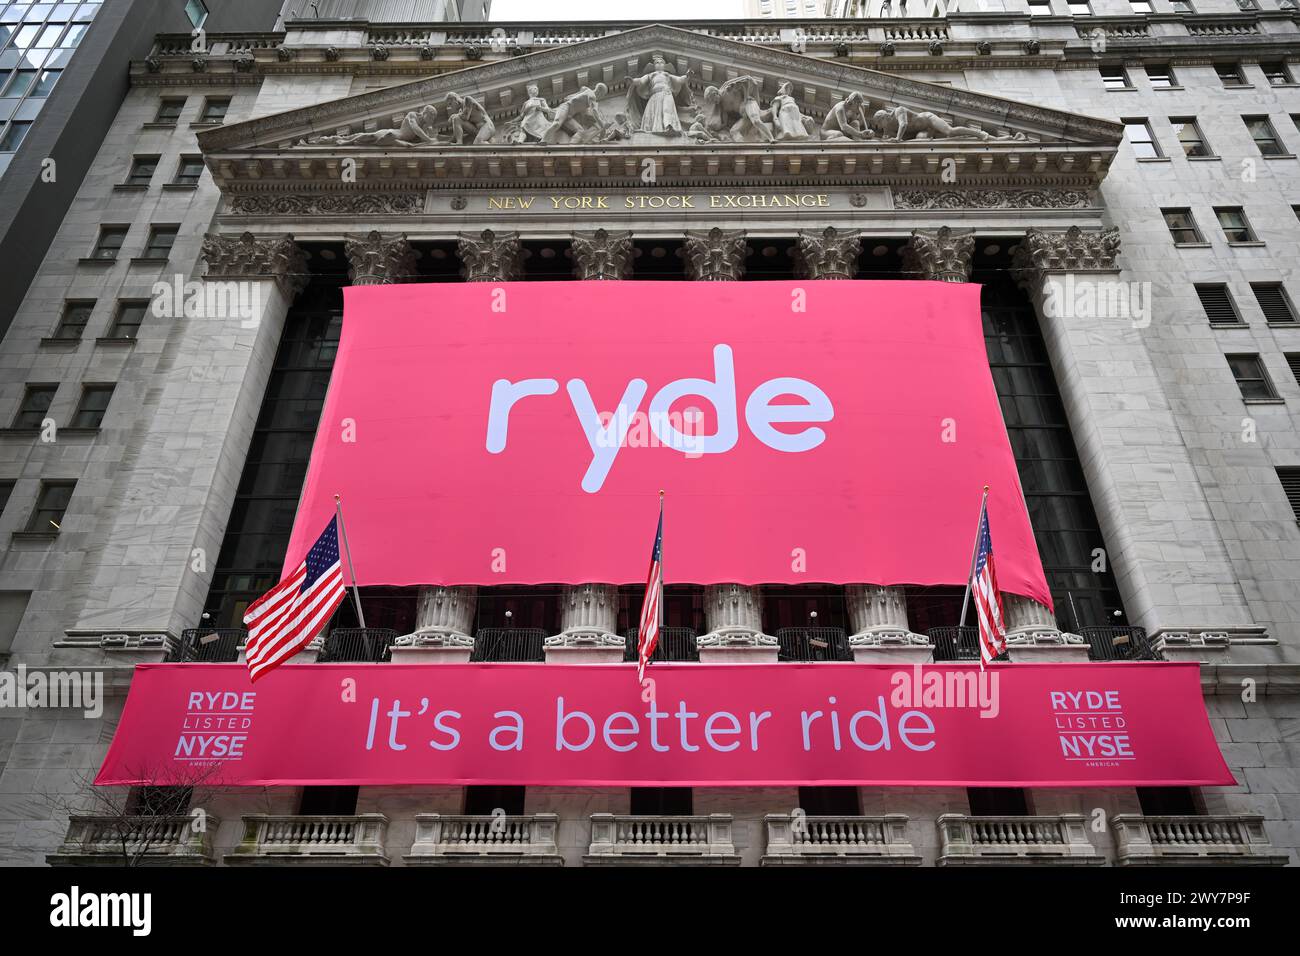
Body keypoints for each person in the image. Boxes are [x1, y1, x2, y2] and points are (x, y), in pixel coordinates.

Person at [627, 54, 693, 135]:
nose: (659, 63)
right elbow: (641, 81)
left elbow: (679, 80)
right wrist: (633, 81)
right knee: (653, 112)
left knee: (667, 109)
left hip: (666, 93)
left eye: (661, 62)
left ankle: (669, 126)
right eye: (657, 62)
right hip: (655, 95)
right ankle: (654, 128)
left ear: (664, 65)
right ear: (654, 66)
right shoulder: (651, 75)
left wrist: (687, 76)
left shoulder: (667, 75)